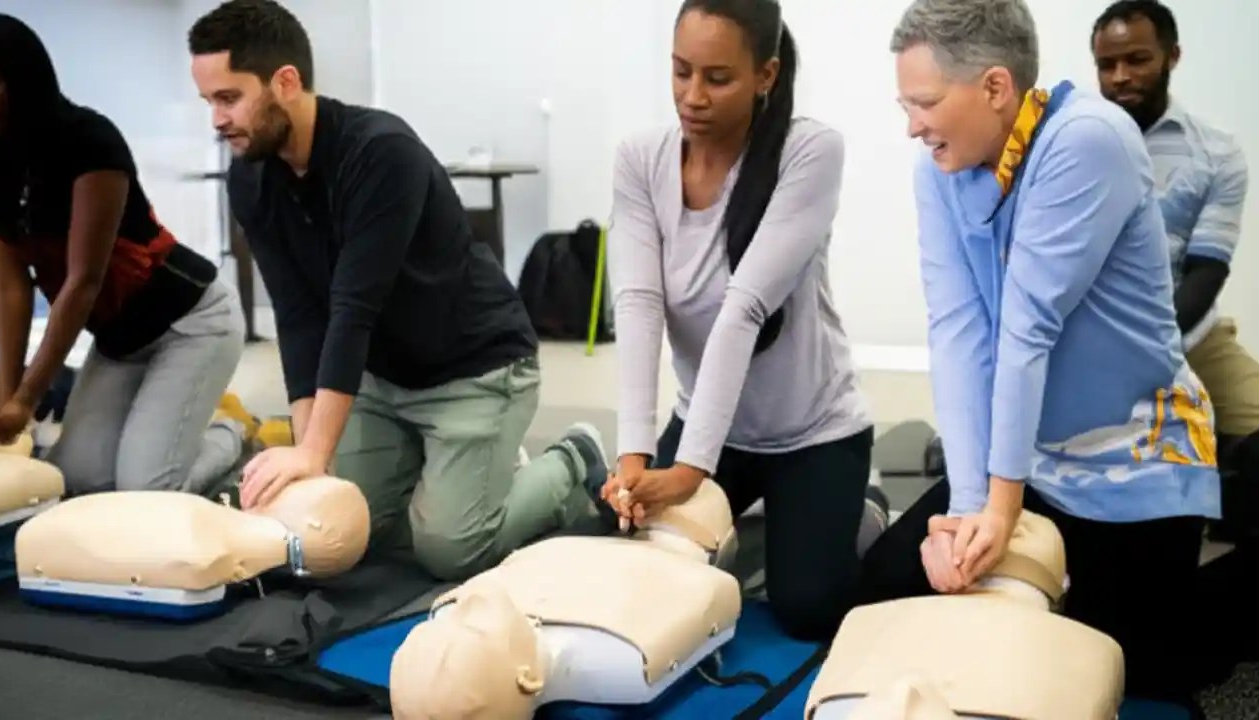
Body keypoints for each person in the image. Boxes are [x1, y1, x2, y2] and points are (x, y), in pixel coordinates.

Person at [858, 0, 1219, 709]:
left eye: (924, 103)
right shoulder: (940, 165)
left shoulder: (1088, 139)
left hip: (1131, 461)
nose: (912, 125)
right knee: (884, 588)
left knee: (1125, 670)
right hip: (1033, 461)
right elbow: (959, 332)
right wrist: (969, 518)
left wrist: (1001, 512)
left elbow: (1027, 328)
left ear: (994, 88)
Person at [185, 0, 608, 582]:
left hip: (476, 372)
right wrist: (312, 458)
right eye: (208, 101)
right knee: (344, 529)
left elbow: (353, 309)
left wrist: (312, 455)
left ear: (285, 82)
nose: (216, 119)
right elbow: (299, 316)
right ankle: (443, 477)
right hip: (382, 383)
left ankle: (569, 460)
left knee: (450, 552)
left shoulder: (381, 152)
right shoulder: (251, 178)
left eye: (228, 98)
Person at [601, 0, 879, 642]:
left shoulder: (810, 151)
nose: (691, 96)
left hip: (813, 433)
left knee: (808, 608)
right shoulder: (641, 159)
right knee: (642, 576)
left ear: (766, 75)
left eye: (717, 78)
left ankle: (855, 513)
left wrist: (690, 470)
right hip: (709, 422)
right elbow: (639, 305)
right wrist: (635, 458)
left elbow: (744, 307)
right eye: (680, 72)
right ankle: (756, 514)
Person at [0, 13, 250, 497]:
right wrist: (7, 393)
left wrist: (28, 397)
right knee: (79, 481)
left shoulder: (88, 140)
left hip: (190, 324)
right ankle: (175, 434)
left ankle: (230, 434)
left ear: (23, 77)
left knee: (145, 487)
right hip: (119, 340)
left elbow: (83, 281)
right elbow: (9, 284)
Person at [1092, 0, 1259, 536]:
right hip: (1089, 338)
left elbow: (1207, 273)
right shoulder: (1072, 141)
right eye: (1107, 64)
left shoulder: (1217, 154)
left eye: (1137, 59)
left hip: (1190, 332)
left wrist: (1147, 351)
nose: (1121, 77)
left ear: (1172, 56)